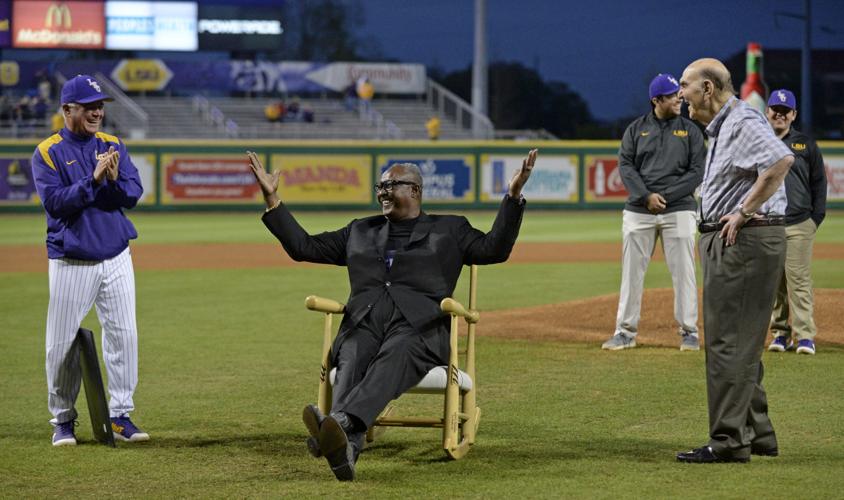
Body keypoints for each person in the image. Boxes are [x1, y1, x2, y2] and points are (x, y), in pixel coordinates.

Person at [246, 148, 537, 481]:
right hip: (363, 323)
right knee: (353, 353)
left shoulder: (450, 229)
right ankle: (345, 447)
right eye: (379, 187)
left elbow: (494, 250)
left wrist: (513, 196)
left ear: (414, 191)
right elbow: (304, 248)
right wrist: (273, 199)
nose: (382, 192)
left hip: (420, 328)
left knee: (396, 351)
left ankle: (340, 421)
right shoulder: (359, 230)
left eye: (391, 185)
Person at [675, 59, 794, 463]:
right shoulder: (727, 125)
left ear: (708, 88)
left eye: (686, 85)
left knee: (727, 344)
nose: (680, 94)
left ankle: (728, 440)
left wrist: (743, 211)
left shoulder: (742, 120)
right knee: (741, 344)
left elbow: (781, 161)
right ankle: (758, 433)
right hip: (738, 241)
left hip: (743, 240)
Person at [31, 74, 148, 446]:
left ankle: (120, 415)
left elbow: (132, 194)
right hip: (72, 260)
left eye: (100, 106)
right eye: (88, 106)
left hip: (116, 256)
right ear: (67, 109)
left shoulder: (113, 144)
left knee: (124, 335)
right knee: (60, 343)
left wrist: (111, 183)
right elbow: (56, 204)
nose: (97, 112)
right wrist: (93, 182)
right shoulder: (47, 152)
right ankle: (63, 420)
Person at [601, 73, 705, 352]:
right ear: (656, 100)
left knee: (684, 272)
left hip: (679, 208)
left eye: (678, 94)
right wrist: (646, 196)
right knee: (631, 273)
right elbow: (626, 166)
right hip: (639, 209)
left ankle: (689, 332)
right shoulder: (636, 130)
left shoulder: (691, 130)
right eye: (672, 95)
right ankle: (624, 332)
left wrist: (665, 197)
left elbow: (697, 172)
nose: (679, 99)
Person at [765, 89, 827, 355]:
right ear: (767, 112)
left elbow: (819, 183)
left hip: (799, 222)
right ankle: (780, 334)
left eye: (785, 111)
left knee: (798, 280)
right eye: (775, 110)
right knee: (774, 282)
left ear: (793, 115)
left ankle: (805, 336)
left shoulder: (805, 144)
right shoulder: (759, 141)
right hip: (768, 223)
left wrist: (816, 218)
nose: (779, 115)